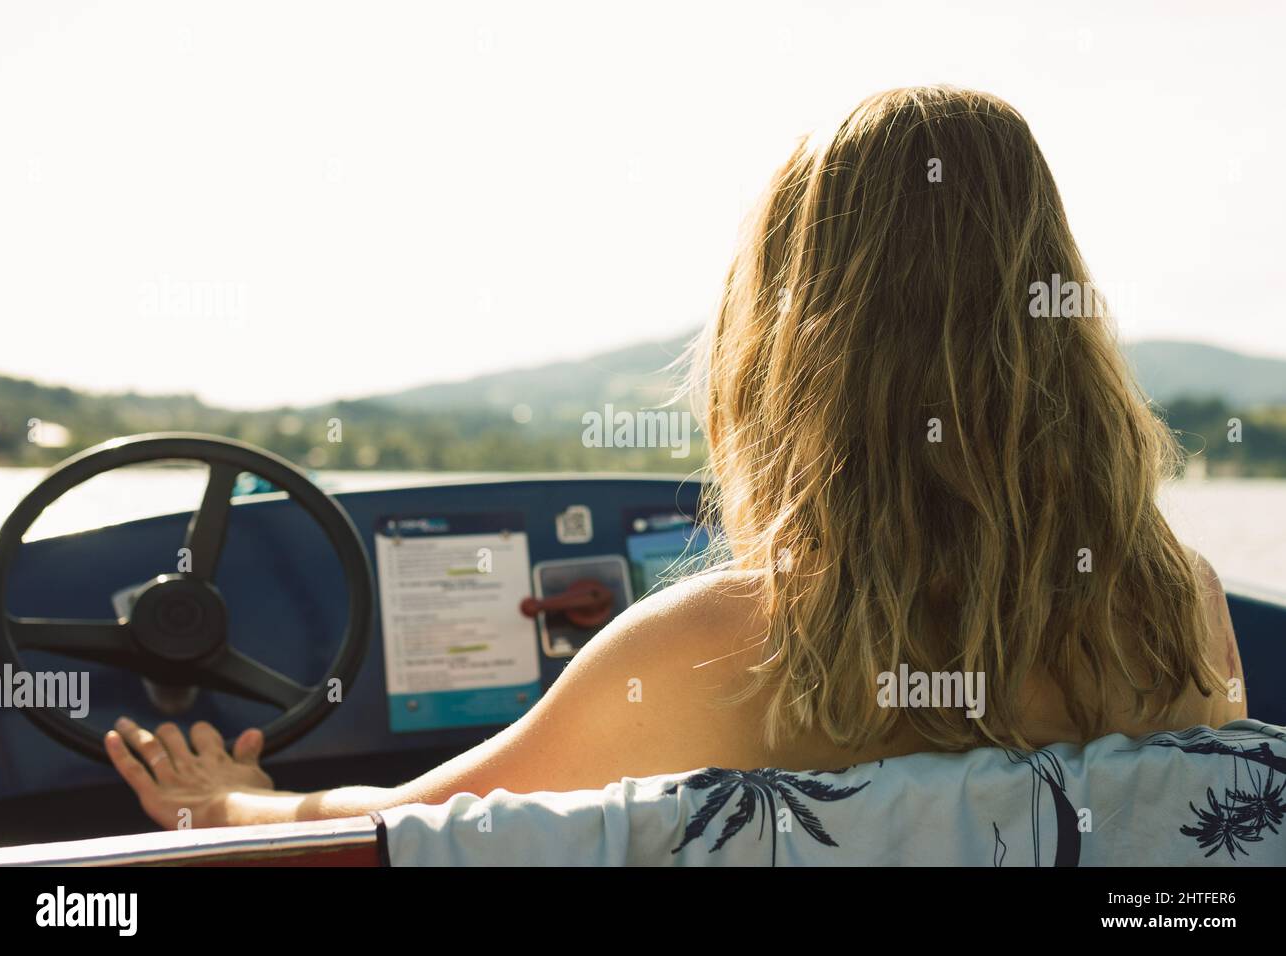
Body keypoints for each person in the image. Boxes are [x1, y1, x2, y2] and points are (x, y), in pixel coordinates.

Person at [105, 85, 1246, 829]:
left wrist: (235, 800)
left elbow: (408, 831)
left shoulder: (724, 646)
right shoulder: (1174, 611)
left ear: (793, 341)